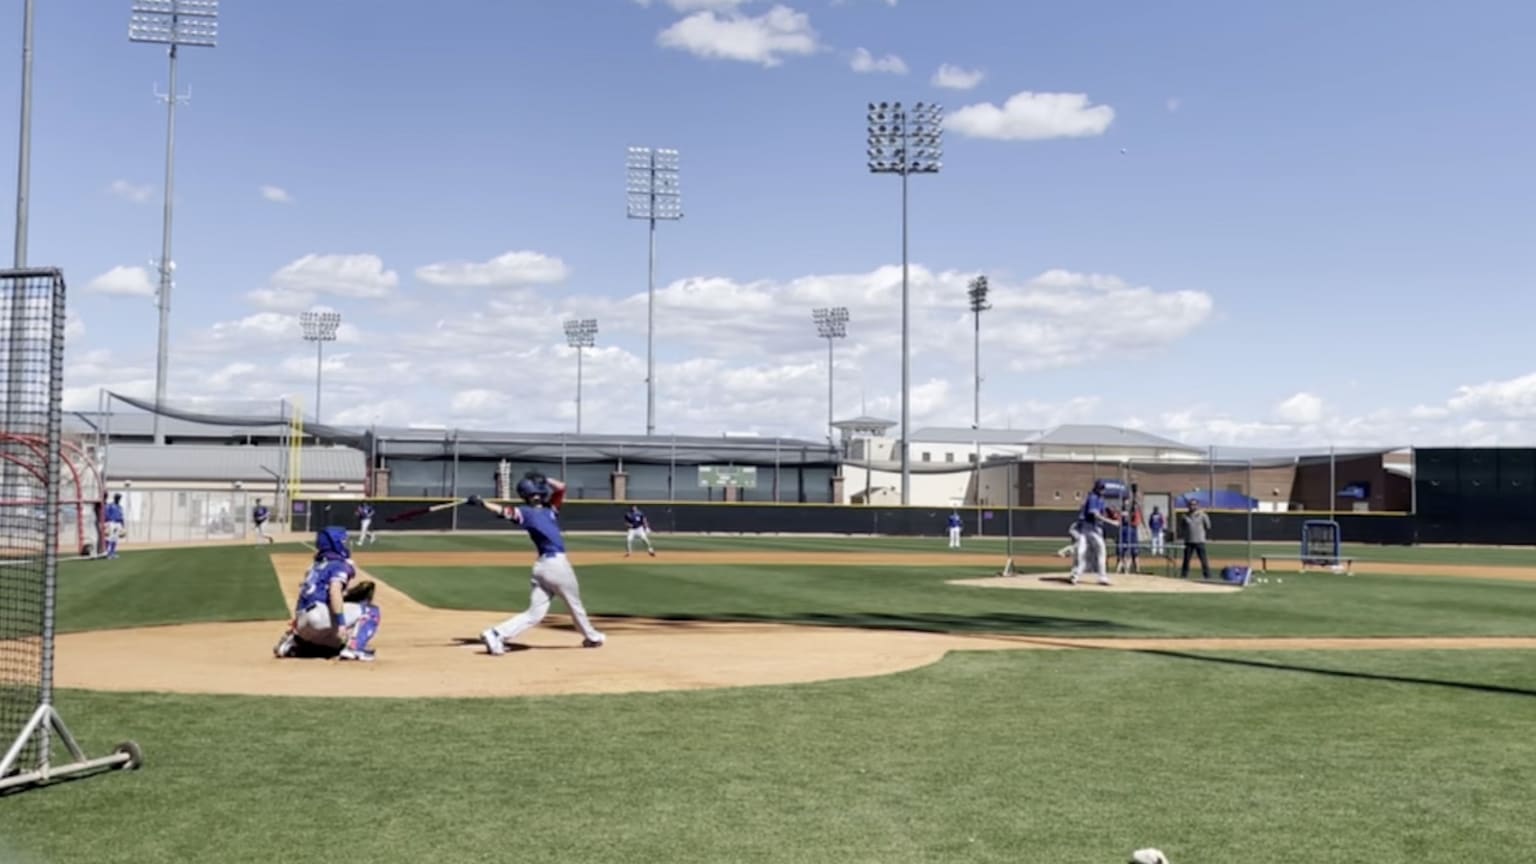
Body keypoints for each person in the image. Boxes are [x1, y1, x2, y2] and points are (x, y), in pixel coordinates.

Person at [470, 473, 606, 655]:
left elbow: (561, 488)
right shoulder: (536, 512)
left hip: (541, 568)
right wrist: (483, 503)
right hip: (557, 566)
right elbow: (504, 511)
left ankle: (495, 634)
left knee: (535, 614)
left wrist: (482, 503)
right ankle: (592, 637)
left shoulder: (545, 510)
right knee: (574, 604)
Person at [273, 526, 380, 662]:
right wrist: (341, 623)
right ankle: (355, 648)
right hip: (319, 618)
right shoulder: (338, 565)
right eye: (343, 541)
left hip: (302, 623)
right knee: (372, 611)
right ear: (336, 543)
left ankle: (294, 644)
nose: (345, 543)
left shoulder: (314, 567)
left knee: (334, 648)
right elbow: (334, 592)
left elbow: (308, 594)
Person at [1073, 480, 1120, 586]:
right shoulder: (1093, 497)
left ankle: (1075, 575)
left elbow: (1103, 512)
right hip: (1091, 528)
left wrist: (1111, 514)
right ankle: (1102, 577)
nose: (1103, 490)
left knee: (1083, 553)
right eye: (1101, 488)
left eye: (1103, 488)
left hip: (1090, 529)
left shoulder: (1099, 499)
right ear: (1097, 488)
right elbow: (1095, 515)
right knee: (1100, 551)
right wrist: (1112, 522)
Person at [1179, 499, 1213, 580]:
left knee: (1203, 560)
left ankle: (1207, 576)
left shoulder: (1203, 515)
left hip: (1200, 541)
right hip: (1189, 541)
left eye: (1194, 504)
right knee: (1186, 560)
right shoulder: (1185, 516)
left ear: (1197, 505)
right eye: (1190, 504)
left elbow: (1208, 526)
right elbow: (1182, 527)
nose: (1192, 506)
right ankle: (1184, 575)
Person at [1116, 501, 1141, 574]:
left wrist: (1134, 512)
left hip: (1132, 534)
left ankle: (1137, 570)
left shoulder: (1134, 513)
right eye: (1125, 504)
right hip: (1123, 534)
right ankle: (1121, 570)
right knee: (1122, 555)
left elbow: (1137, 522)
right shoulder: (1121, 513)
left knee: (1134, 554)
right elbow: (1118, 521)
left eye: (1128, 505)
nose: (1126, 506)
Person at [102, 493, 125, 559]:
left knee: (115, 539)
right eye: (117, 497)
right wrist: (106, 523)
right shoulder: (110, 505)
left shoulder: (120, 507)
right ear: (114, 498)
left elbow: (121, 517)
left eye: (119, 498)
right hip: (111, 522)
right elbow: (106, 514)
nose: (118, 499)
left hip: (118, 523)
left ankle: (112, 552)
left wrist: (123, 526)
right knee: (109, 538)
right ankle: (107, 553)